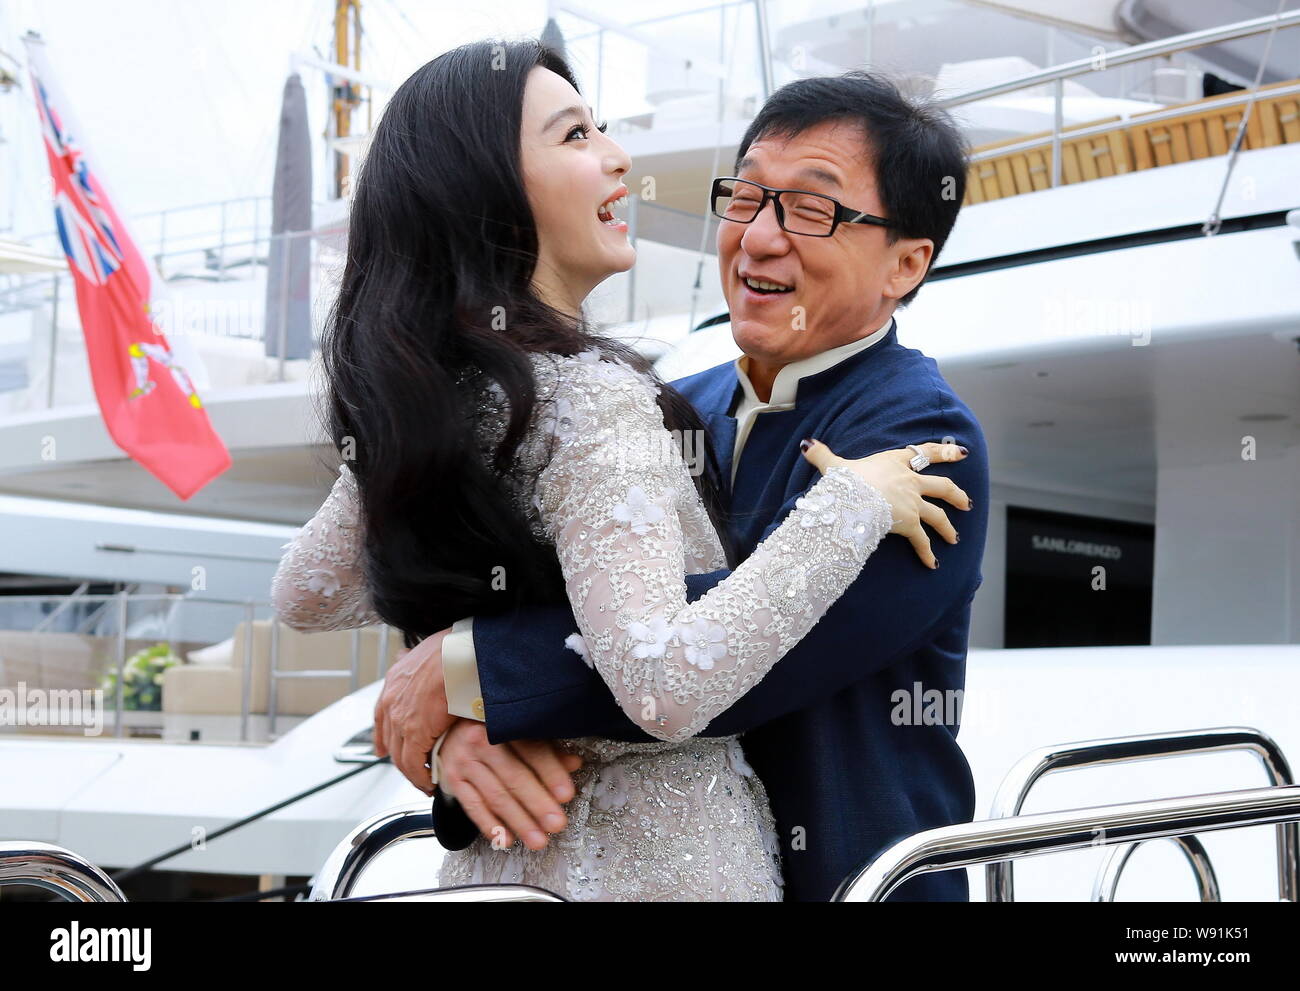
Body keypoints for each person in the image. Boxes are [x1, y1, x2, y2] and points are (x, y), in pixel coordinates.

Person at [271, 41, 973, 901]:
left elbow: (751, 671)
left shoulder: (926, 441)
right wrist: (465, 725)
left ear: (907, 263)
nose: (756, 235)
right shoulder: (664, 398)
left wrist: (470, 670)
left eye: (811, 210)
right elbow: (519, 567)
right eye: (747, 194)